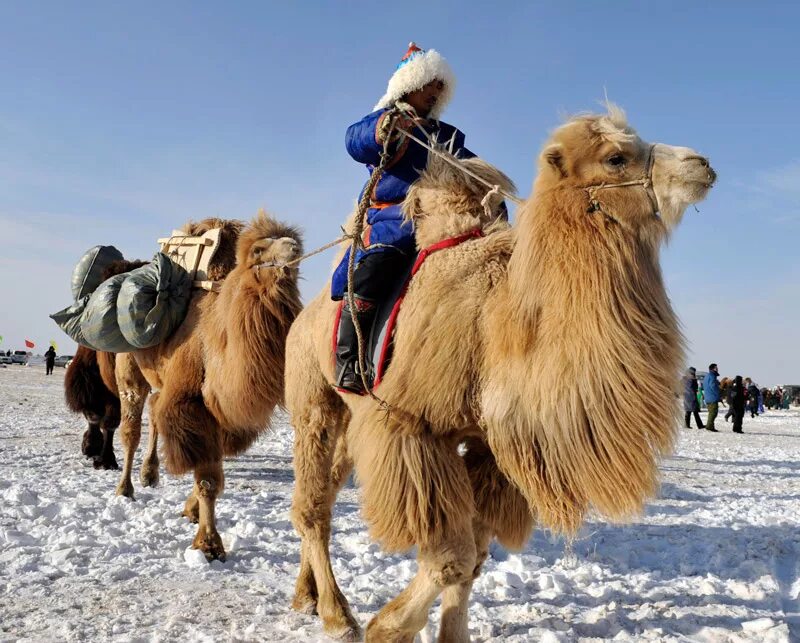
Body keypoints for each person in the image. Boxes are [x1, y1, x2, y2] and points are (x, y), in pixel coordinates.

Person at [330, 43, 491, 393]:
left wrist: (491, 188)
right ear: (410, 82)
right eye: (429, 84)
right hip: (395, 221)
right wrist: (383, 129)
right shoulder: (384, 121)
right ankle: (349, 360)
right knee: (376, 270)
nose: (434, 92)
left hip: (444, 218)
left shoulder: (445, 137)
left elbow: (473, 168)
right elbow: (354, 140)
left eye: (439, 87)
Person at [702, 363, 721, 432]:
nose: (717, 369)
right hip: (712, 397)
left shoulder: (707, 376)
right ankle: (709, 426)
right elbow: (713, 386)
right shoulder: (712, 376)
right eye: (716, 368)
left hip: (708, 397)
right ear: (713, 369)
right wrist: (718, 393)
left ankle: (710, 426)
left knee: (711, 412)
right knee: (713, 413)